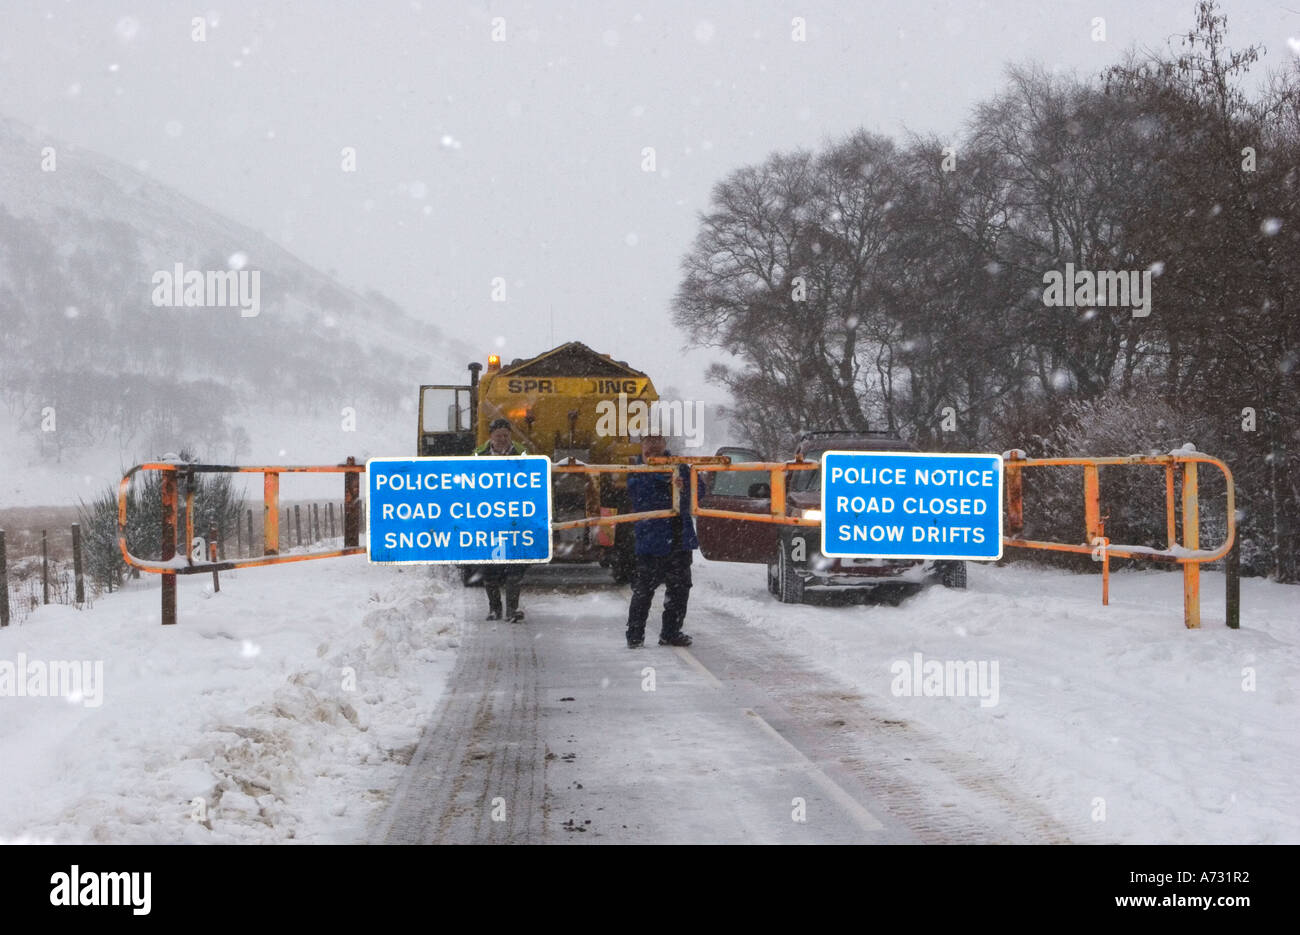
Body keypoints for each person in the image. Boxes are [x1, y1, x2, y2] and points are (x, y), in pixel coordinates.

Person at [624, 433, 699, 648]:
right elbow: (642, 498)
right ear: (642, 450)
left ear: (665, 448)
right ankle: (635, 635)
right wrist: (668, 483)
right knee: (644, 591)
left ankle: (671, 632)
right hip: (651, 542)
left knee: (679, 589)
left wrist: (682, 488)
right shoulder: (636, 471)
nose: (653, 457)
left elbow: (697, 494)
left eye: (657, 452)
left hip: (679, 540)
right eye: (648, 452)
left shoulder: (680, 467)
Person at [475, 418, 528, 622]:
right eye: (498, 435)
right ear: (491, 437)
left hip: (514, 519)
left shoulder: (523, 456)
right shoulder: (478, 456)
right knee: (489, 567)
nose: (502, 439)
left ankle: (512, 610)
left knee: (514, 566)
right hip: (487, 520)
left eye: (506, 435)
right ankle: (494, 608)